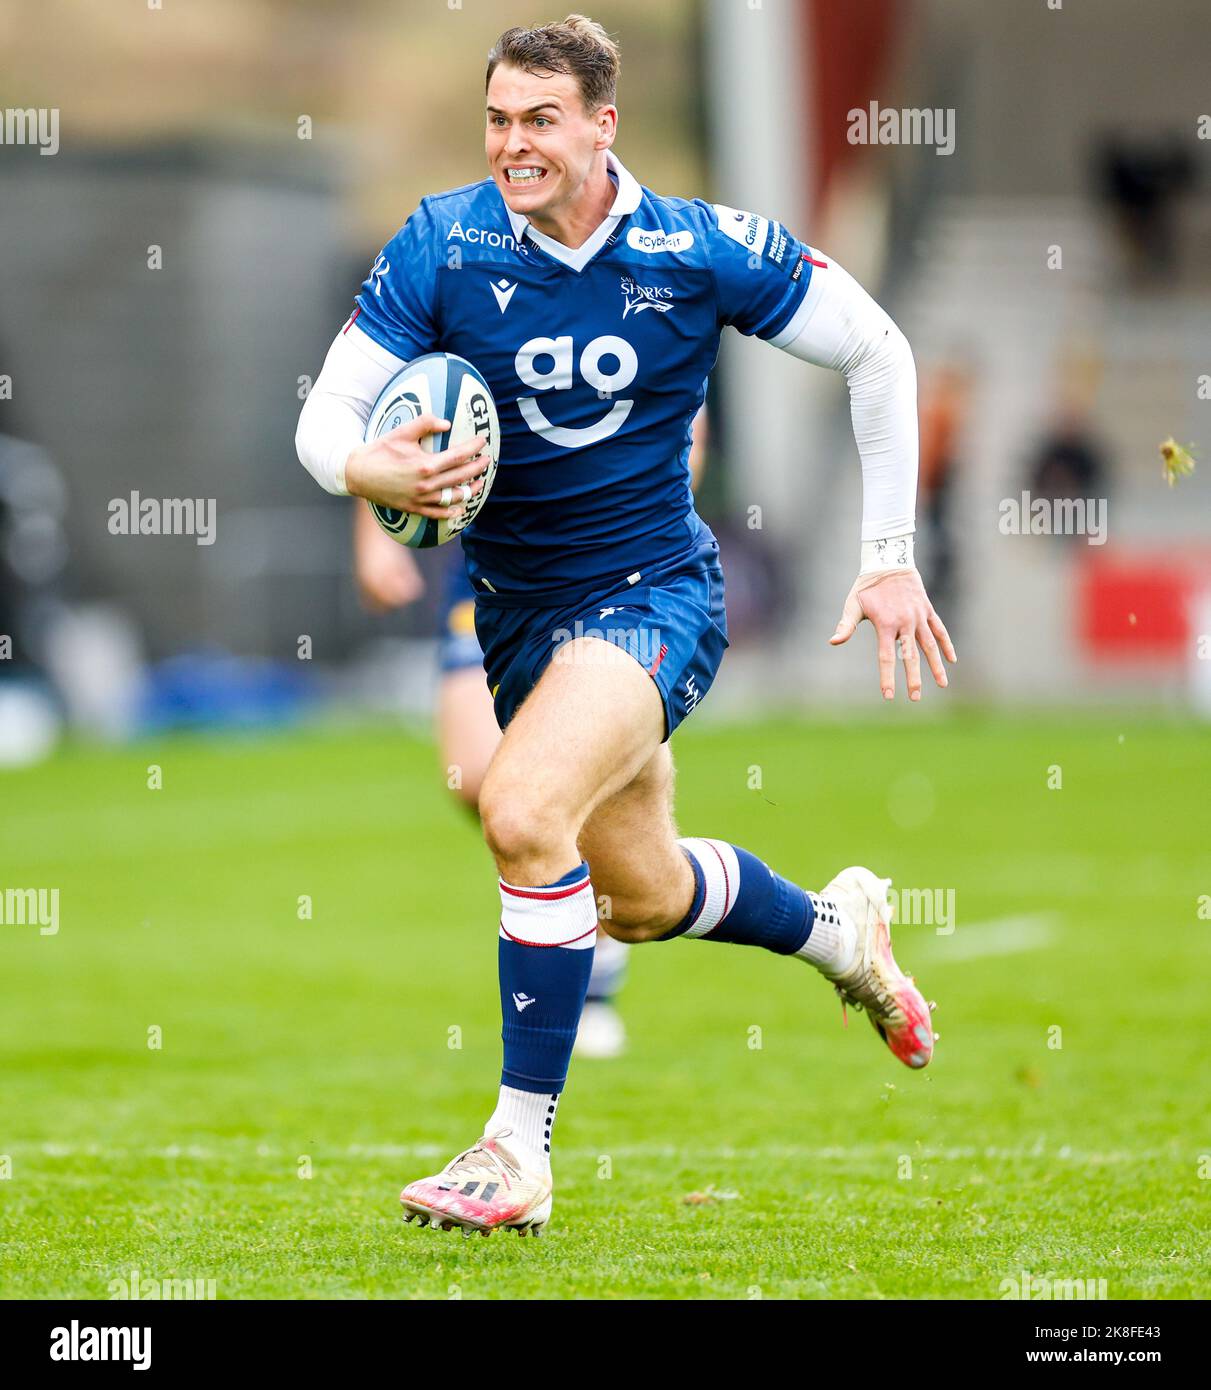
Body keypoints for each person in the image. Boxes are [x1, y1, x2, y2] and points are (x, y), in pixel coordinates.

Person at [296, 14, 955, 1238]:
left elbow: (874, 346)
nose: (512, 144)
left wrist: (885, 557)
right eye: (497, 119)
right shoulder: (439, 241)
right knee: (639, 896)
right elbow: (322, 420)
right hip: (518, 620)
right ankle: (838, 933)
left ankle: (514, 1150)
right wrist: (363, 470)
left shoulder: (693, 246)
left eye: (539, 120)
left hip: (656, 599)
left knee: (516, 807)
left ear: (604, 124)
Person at [351, 407, 709, 1057]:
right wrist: (377, 532)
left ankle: (594, 972)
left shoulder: (654, 308)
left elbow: (685, 418)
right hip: (493, 567)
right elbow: (400, 404)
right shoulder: (459, 310)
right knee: (477, 778)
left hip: (609, 570)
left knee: (567, 809)